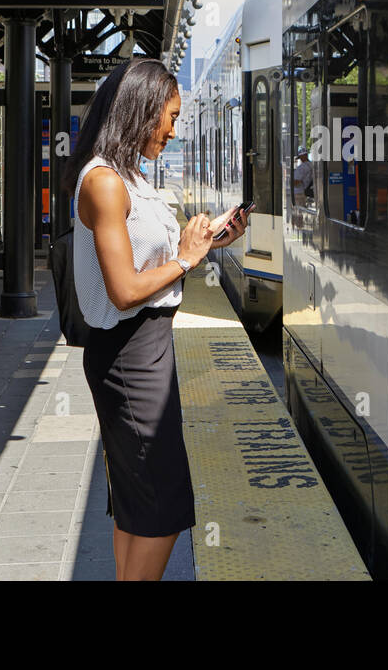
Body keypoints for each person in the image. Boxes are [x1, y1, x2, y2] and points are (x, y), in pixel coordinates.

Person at [63, 58, 247, 580]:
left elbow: (153, 267)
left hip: (147, 349)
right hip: (127, 353)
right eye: (167, 117)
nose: (172, 130)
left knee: (137, 498)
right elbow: (123, 291)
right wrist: (186, 260)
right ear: (138, 111)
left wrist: (205, 245)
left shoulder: (131, 176)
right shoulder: (103, 183)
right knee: (162, 503)